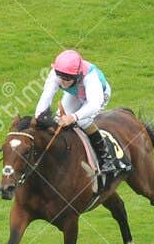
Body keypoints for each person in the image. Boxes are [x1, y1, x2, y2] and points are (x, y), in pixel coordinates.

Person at [33, 49, 127, 181]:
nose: (63, 82)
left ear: (78, 75)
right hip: (76, 94)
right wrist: (38, 119)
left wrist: (73, 117)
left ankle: (107, 159)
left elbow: (94, 104)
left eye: (67, 79)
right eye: (61, 78)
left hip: (96, 97)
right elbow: (46, 97)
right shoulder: (56, 74)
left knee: (82, 121)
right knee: (58, 120)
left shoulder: (91, 77)